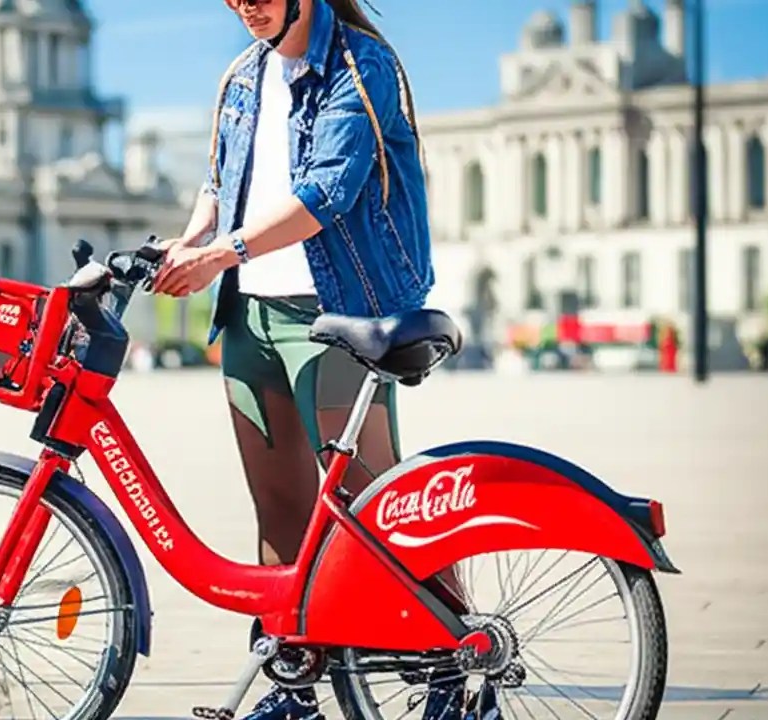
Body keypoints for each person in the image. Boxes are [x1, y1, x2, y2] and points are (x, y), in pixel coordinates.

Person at [151, 1, 489, 719]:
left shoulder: (362, 65)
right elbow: (220, 184)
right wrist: (189, 243)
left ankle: (456, 673)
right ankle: (293, 688)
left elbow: (328, 191)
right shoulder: (242, 77)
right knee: (279, 509)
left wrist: (222, 253)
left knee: (379, 507)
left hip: (336, 315)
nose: (245, 5)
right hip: (249, 318)